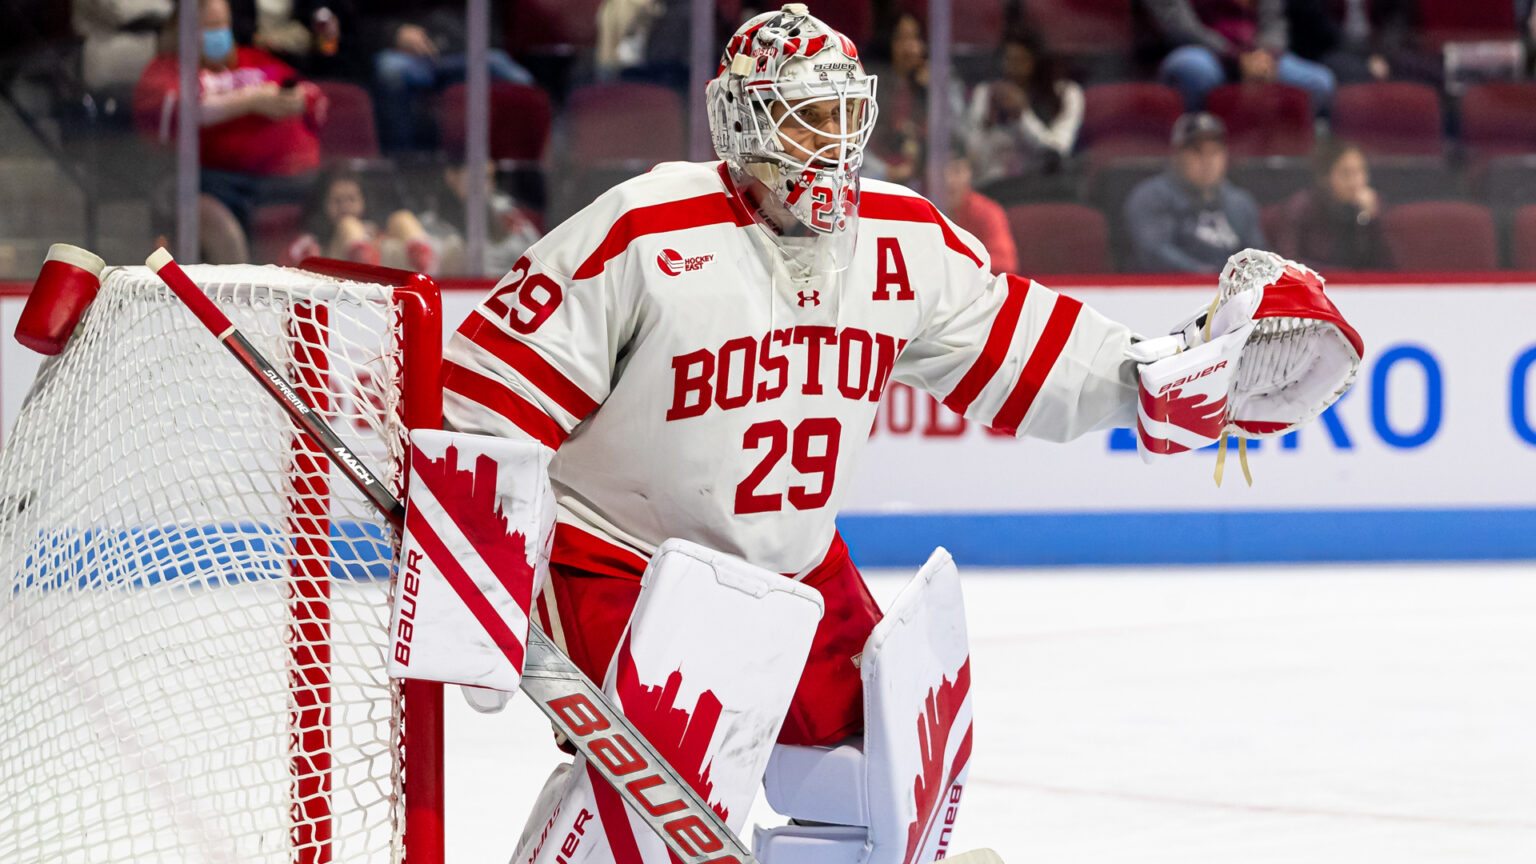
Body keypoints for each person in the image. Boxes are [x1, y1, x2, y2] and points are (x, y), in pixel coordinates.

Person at [440, 7, 1353, 864]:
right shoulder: (645, 229)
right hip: (620, 562)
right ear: (743, 126)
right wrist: (477, 589)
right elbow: (483, 404)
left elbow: (1017, 346)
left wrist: (1156, 373)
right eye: (804, 119)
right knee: (662, 800)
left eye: (844, 114)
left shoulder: (900, 238)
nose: (832, 145)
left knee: (890, 787)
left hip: (793, 568)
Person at [133, 0, 325, 262]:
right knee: (207, 215)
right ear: (183, 30)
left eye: (224, 25)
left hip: (290, 182)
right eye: (210, 27)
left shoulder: (253, 60)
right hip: (216, 184)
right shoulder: (167, 69)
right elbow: (174, 112)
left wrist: (295, 99)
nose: (219, 34)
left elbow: (313, 96)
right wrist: (248, 101)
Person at [359, 1, 535, 152]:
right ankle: (401, 165)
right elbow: (359, 21)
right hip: (407, 52)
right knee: (390, 70)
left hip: (463, 48)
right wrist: (394, 33)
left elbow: (489, 21)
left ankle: (521, 175)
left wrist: (460, 40)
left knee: (519, 79)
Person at [1124, 112, 1266, 273]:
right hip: (1170, 293)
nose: (1207, 161)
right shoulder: (1151, 197)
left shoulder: (1240, 202)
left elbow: (1258, 257)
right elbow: (1155, 254)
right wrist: (1207, 276)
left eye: (1215, 152)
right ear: (1177, 155)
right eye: (1197, 152)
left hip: (1232, 292)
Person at [1145, 0, 1337, 114]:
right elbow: (1180, 26)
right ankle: (1198, 146)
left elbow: (1275, 20)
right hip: (1205, 51)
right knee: (1195, 69)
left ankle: (1279, 151)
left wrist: (1266, 53)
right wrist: (1236, 57)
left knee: (1320, 82)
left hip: (1257, 53)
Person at [964, 29, 1084, 188]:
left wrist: (1022, 116)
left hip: (1044, 185)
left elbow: (1056, 152)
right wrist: (988, 122)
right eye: (1008, 59)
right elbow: (973, 157)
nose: (1012, 68)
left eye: (1021, 61)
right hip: (993, 185)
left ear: (1038, 62)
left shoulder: (1066, 93)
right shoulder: (986, 93)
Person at [1271, 139, 1391, 271]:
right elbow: (1288, 263)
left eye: (1360, 171)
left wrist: (1372, 220)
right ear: (1325, 177)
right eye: (1346, 173)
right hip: (1316, 286)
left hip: (1364, 289)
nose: (1355, 181)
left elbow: (1389, 267)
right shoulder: (1301, 208)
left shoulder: (1373, 206)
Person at [284, 168, 436, 271]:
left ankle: (423, 257)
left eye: (351, 199)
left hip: (384, 287)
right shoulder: (310, 241)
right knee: (348, 225)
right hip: (340, 286)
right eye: (337, 201)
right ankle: (360, 261)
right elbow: (290, 266)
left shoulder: (377, 233)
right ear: (322, 205)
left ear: (364, 201)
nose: (345, 207)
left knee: (402, 218)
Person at [416, 162, 541, 277]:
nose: (484, 185)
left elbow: (538, 258)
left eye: (488, 177)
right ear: (451, 176)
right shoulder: (427, 224)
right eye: (476, 176)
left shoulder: (509, 216)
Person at [944, 150, 1017, 275]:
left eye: (957, 171)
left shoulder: (987, 211)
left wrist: (957, 264)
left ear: (970, 173)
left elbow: (1005, 263)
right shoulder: (917, 209)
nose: (949, 180)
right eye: (941, 171)